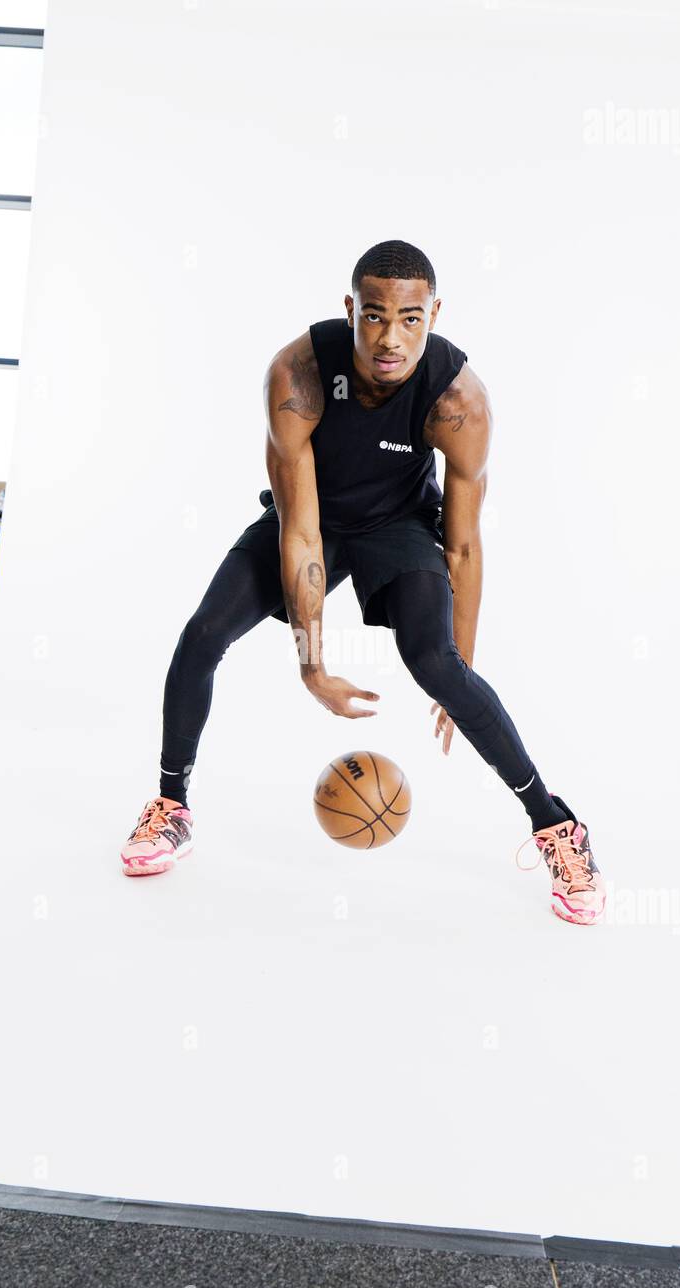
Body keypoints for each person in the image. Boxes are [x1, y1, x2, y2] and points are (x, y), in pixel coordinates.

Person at [121, 240, 605, 926]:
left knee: (434, 661)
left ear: (434, 313)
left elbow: (462, 546)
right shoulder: (298, 375)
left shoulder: (458, 400)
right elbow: (302, 534)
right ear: (349, 310)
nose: (390, 337)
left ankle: (558, 827)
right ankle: (170, 807)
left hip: (402, 525)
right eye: (374, 315)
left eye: (411, 318)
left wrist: (458, 669)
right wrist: (313, 666)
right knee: (202, 634)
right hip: (313, 513)